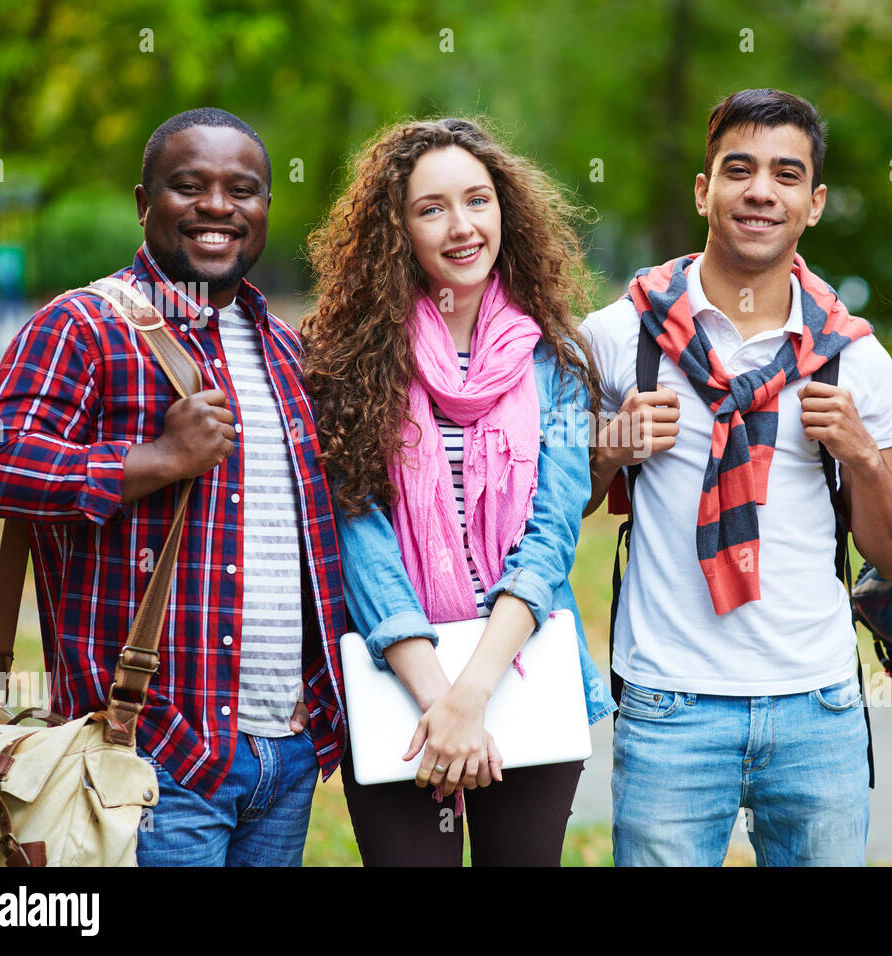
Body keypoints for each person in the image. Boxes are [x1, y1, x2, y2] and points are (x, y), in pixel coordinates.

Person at [0, 108, 349, 867]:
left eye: (243, 190)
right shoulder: (84, 326)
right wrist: (157, 460)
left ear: (265, 208)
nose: (216, 207)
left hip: (287, 755)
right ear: (145, 204)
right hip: (149, 757)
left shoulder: (289, 351)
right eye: (188, 186)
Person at [582, 88, 892, 866]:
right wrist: (607, 448)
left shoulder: (854, 357)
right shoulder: (618, 338)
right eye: (738, 170)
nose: (760, 190)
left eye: (786, 174)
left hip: (819, 707)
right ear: (704, 190)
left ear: (814, 203)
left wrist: (864, 461)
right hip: (669, 705)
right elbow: (542, 511)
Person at [302, 117, 615, 866]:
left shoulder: (557, 364)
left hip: (524, 669)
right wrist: (437, 698)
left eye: (477, 200)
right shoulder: (349, 363)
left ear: (505, 209)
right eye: (431, 208)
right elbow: (360, 538)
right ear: (396, 230)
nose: (461, 225)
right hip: (397, 684)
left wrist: (470, 695)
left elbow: (551, 536)